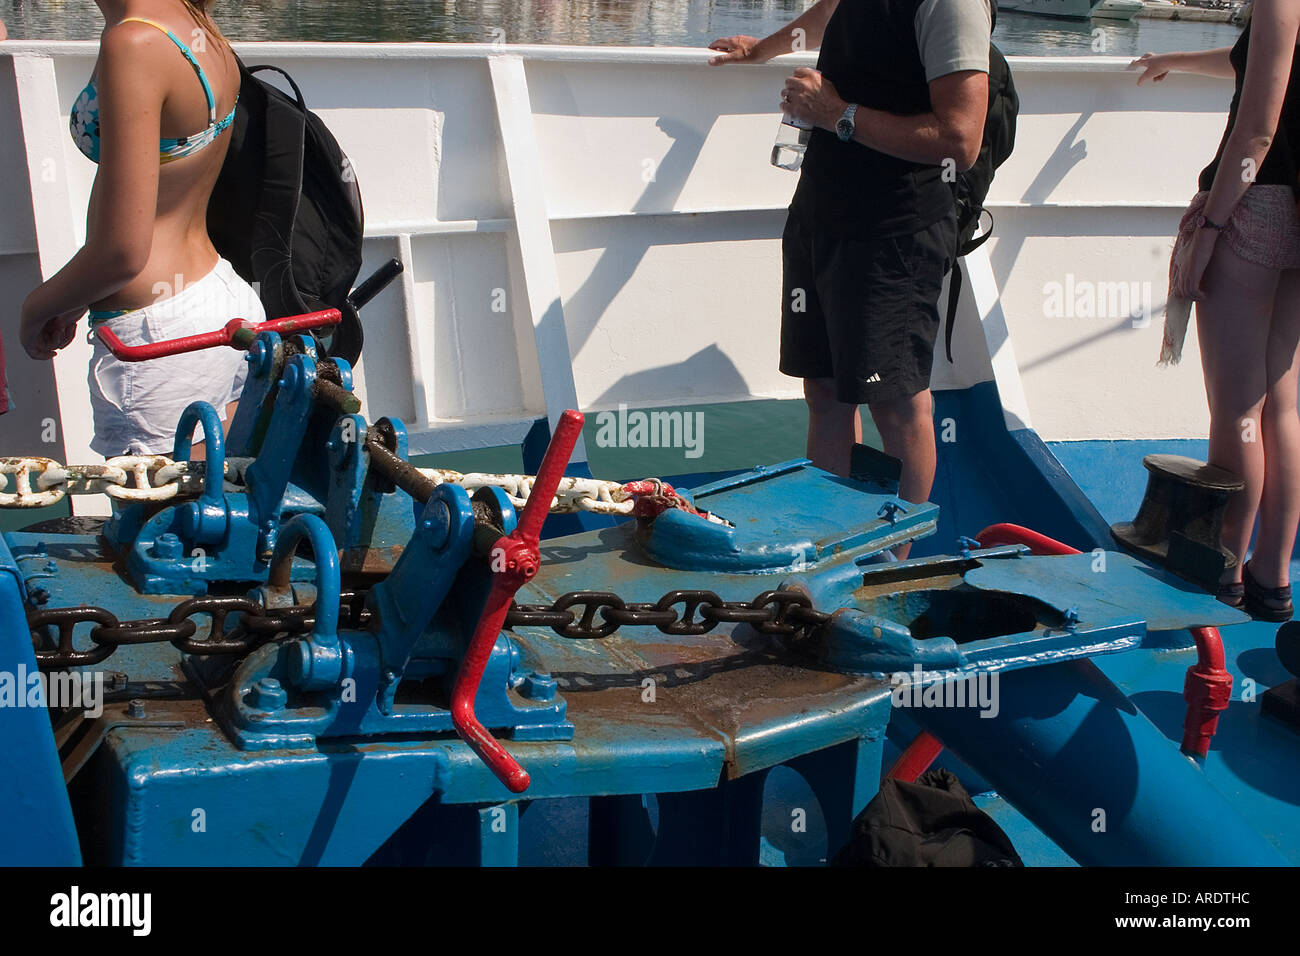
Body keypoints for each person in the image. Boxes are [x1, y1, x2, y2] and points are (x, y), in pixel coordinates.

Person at [709, 0, 990, 558]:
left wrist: (838, 112)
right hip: (821, 214)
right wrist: (761, 50)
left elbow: (961, 137)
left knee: (897, 402)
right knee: (825, 390)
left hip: (893, 232)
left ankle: (890, 562)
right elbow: (828, 12)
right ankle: (828, 550)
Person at [18, 0, 262, 458]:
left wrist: (36, 309)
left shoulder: (134, 43)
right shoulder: (195, 24)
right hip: (217, 299)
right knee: (216, 511)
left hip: (160, 337)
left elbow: (122, 253)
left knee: (153, 525)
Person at [1133, 0, 1298, 621]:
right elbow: (1264, 62)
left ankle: (1221, 568)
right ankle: (1271, 579)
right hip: (1296, 217)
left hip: (1258, 211)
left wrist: (1211, 226)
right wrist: (1176, 59)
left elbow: (1258, 125)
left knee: (1237, 409)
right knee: (1278, 405)